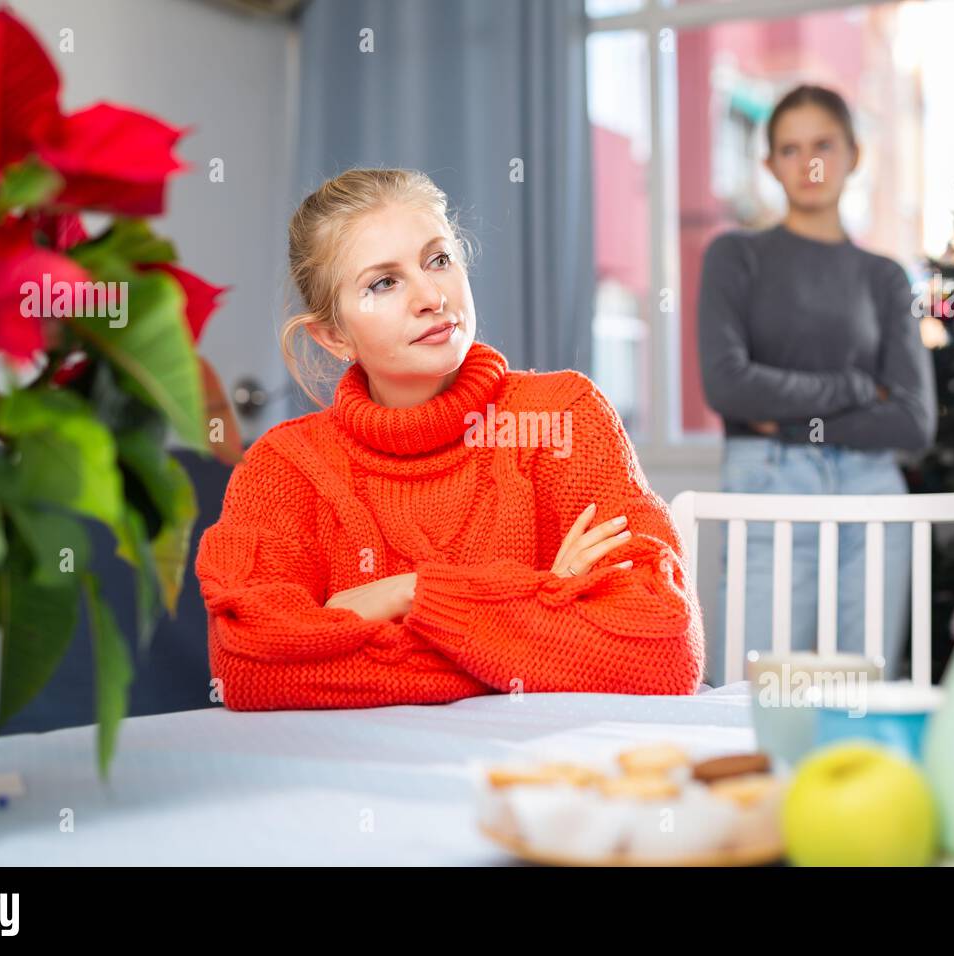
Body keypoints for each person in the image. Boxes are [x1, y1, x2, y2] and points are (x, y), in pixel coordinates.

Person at [195, 168, 704, 710]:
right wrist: (541, 609)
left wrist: (408, 595)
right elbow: (247, 664)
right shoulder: (284, 466)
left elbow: (663, 647)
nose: (431, 296)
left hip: (536, 775)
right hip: (359, 780)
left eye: (438, 259)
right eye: (384, 283)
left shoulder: (562, 419)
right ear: (334, 335)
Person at [697, 85, 936, 680]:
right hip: (770, 485)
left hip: (872, 492)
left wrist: (787, 412)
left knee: (863, 696)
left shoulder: (884, 277)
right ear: (769, 164)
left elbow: (913, 421)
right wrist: (857, 388)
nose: (809, 164)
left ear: (854, 154)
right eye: (790, 148)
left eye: (824, 145)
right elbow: (728, 388)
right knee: (749, 702)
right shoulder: (735, 256)